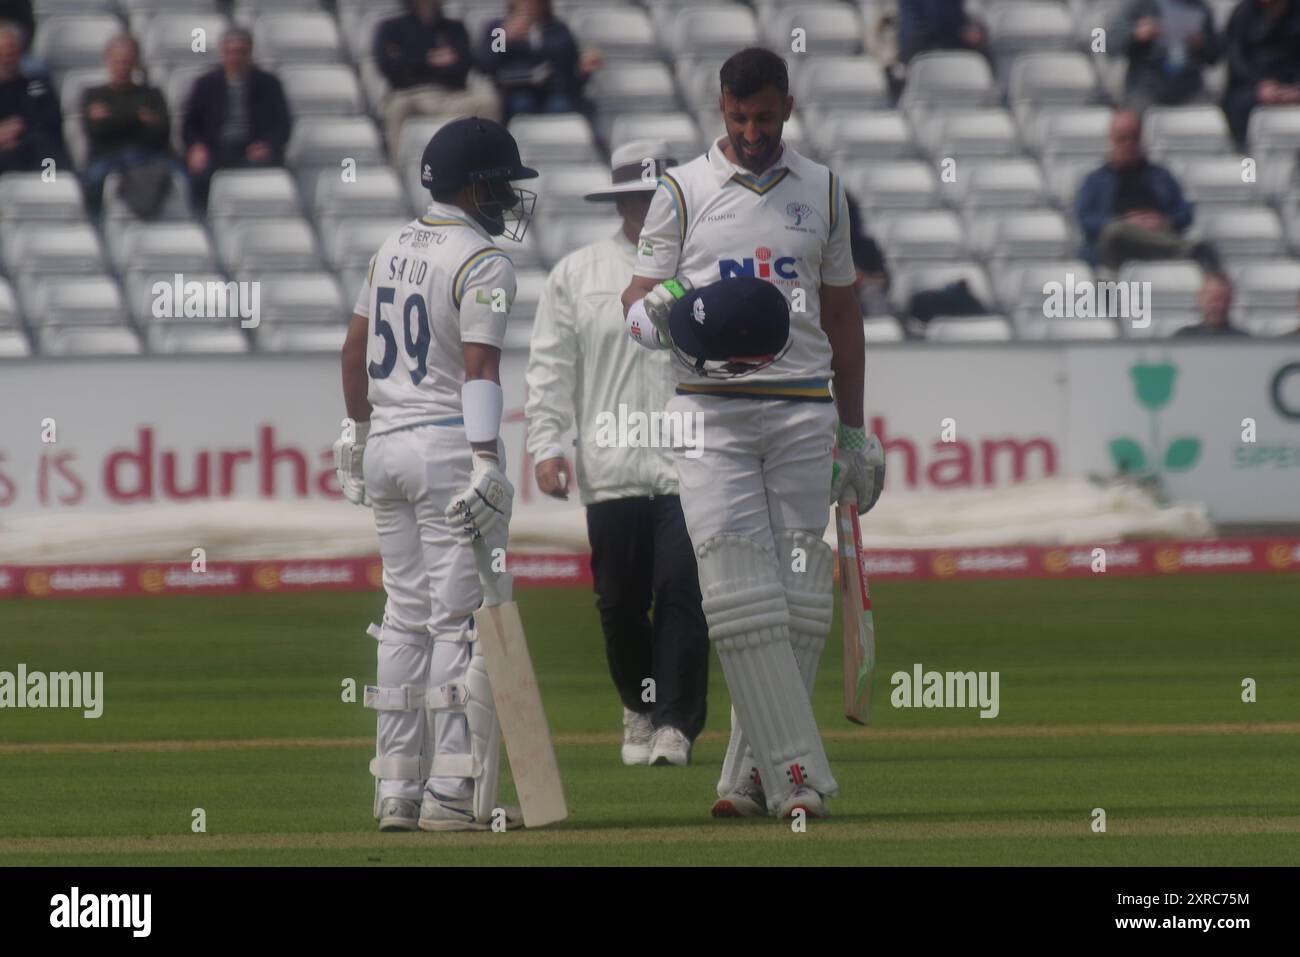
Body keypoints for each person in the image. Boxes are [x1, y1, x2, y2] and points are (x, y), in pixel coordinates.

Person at [620, 48, 886, 821]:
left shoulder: (824, 191)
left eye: (764, 117)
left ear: (788, 108)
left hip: (803, 406)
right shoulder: (682, 190)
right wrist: (669, 306)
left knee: (800, 600)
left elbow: (842, 316)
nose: (751, 131)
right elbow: (637, 305)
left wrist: (855, 433)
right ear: (721, 109)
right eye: (738, 118)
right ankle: (801, 775)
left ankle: (745, 778)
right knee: (737, 598)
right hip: (710, 408)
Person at [335, 116, 538, 832]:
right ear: (474, 185)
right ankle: (451, 793)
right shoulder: (482, 261)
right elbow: (480, 369)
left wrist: (356, 430)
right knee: (457, 624)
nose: (510, 197)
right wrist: (486, 457)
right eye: (503, 184)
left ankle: (396, 787)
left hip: (388, 442)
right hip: (448, 445)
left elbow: (353, 351)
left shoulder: (389, 246)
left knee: (403, 620)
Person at [525, 140, 710, 768]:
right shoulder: (577, 273)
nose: (649, 207)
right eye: (639, 197)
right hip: (611, 464)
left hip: (689, 462)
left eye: (661, 197)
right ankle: (640, 703)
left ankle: (676, 726)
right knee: (620, 600)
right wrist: (547, 443)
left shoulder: (706, 265)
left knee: (684, 587)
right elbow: (551, 366)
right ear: (622, 201)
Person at [1075, 109, 1216, 270]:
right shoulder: (1095, 180)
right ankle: (1182, 249)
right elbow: (1086, 219)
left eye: (1133, 137)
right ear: (1111, 140)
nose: (1128, 144)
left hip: (1155, 240)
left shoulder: (1160, 176)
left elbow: (1185, 212)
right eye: (1122, 139)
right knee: (1115, 231)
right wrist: (1127, 224)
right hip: (1116, 249)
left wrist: (1165, 221)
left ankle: (1174, 248)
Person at [181, 28, 291, 212]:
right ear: (223, 52)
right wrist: (196, 147)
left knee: (268, 173)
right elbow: (189, 125)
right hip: (215, 149)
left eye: (241, 52)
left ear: (250, 52)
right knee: (199, 174)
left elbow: (283, 124)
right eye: (231, 52)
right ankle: (204, 220)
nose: (236, 57)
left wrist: (268, 145)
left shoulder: (269, 84)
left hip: (252, 148)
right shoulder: (206, 84)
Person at [374, 0, 501, 157]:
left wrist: (409, 59)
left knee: (488, 101)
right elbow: (388, 67)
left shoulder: (455, 27)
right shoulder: (391, 27)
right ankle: (399, 163)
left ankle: (490, 162)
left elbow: (465, 63)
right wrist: (429, 59)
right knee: (398, 106)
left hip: (453, 96)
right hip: (412, 96)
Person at [80, 35, 174, 215]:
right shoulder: (93, 95)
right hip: (108, 155)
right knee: (92, 179)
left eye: (127, 62)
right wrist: (138, 119)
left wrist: (112, 119)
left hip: (148, 154)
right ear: (108, 61)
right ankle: (94, 223)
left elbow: (162, 132)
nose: (122, 67)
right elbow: (94, 132)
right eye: (118, 62)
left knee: (182, 176)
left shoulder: (152, 94)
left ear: (135, 63)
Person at [478, 0, 601, 119]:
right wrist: (505, 39)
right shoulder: (498, 29)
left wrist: (583, 70)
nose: (529, 4)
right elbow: (487, 65)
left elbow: (571, 75)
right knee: (522, 103)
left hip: (554, 93)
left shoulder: (559, 30)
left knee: (560, 106)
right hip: (512, 93)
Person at [1109, 0, 1221, 111]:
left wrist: (1201, 44)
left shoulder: (1199, 7)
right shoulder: (1139, 5)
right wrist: (1136, 35)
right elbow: (1111, 45)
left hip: (1190, 89)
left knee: (1210, 117)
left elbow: (1214, 57)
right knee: (1125, 125)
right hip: (1145, 89)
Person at [1221, 0, 1300, 150]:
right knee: (1238, 105)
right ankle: (1245, 162)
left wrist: (1295, 89)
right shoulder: (1244, 13)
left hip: (1291, 86)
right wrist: (1260, 86)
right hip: (1251, 87)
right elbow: (1236, 58)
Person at [0, 23, 63, 175]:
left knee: (48, 152)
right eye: (2, 52)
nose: (6, 57)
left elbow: (51, 121)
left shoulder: (38, 86)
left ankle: (50, 192)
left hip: (29, 152)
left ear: (20, 53)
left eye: (11, 51)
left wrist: (19, 128)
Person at [1175, 271, 1250, 335]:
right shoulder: (1184, 338)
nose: (1215, 305)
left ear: (1230, 300)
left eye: (1220, 298)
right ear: (1200, 298)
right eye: (1211, 299)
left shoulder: (1243, 341)